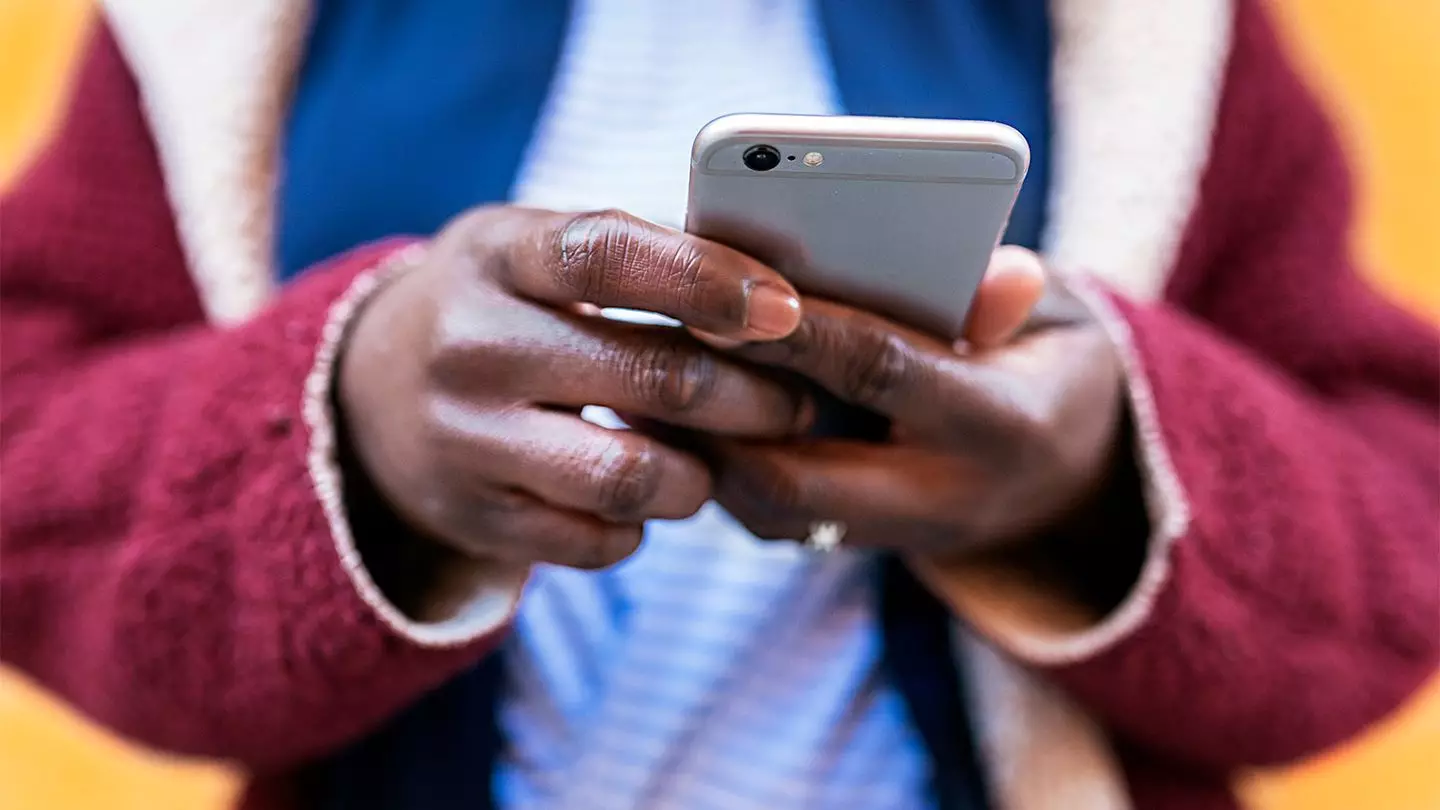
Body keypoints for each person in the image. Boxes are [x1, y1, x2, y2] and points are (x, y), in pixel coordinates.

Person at [2, 1, 1436, 808]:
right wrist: (338, 423)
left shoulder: (1148, 36)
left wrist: (1106, 467)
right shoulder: (217, 32)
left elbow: (1404, 522)